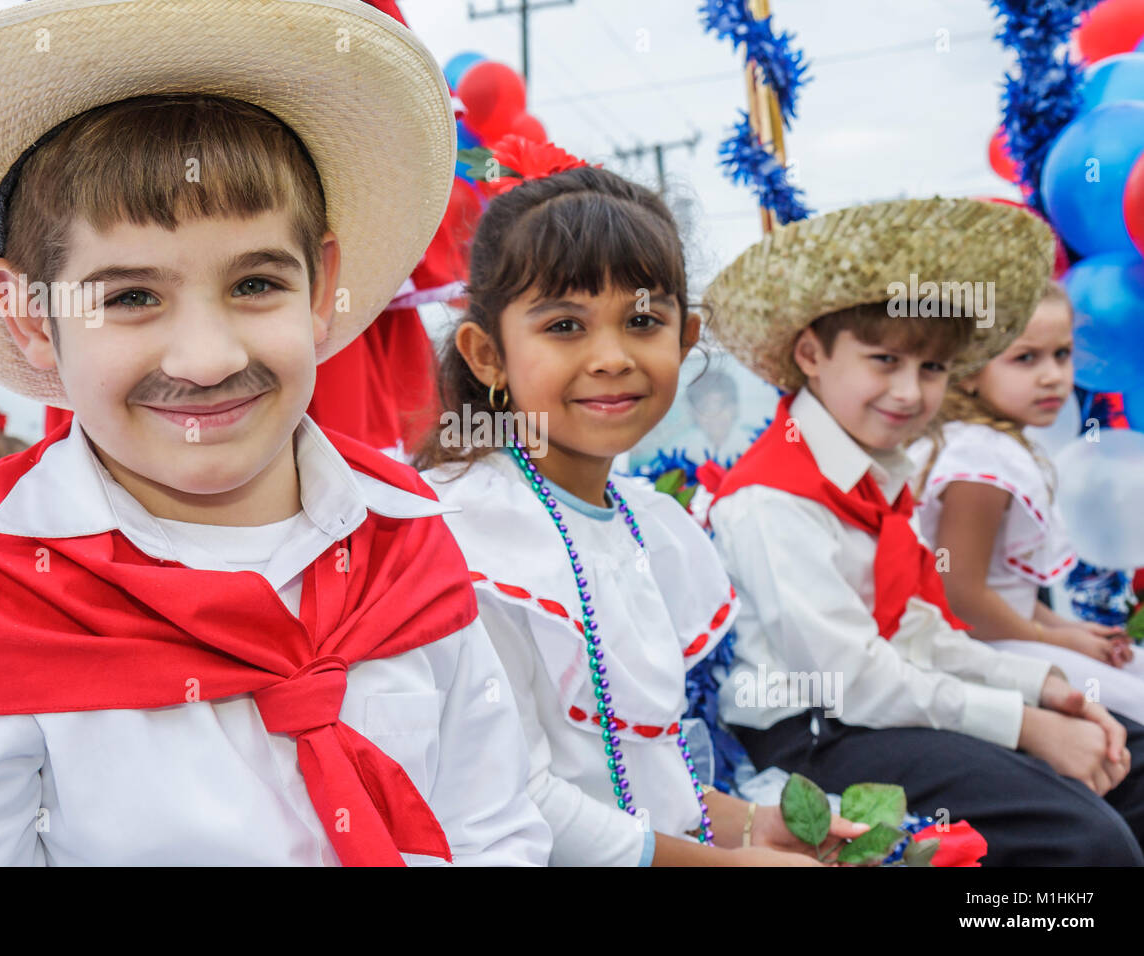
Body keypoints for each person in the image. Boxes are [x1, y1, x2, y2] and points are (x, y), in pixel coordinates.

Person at [0, 0, 549, 866]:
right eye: (131, 297)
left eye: (255, 283)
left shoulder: (407, 534)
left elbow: (494, 832)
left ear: (322, 284)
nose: (209, 359)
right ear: (30, 318)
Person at [413, 138, 870, 866]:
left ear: (686, 340)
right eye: (565, 325)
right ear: (487, 355)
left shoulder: (645, 522)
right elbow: (518, 797)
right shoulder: (468, 537)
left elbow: (637, 779)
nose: (612, 356)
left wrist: (756, 828)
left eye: (643, 321)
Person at [705, 196, 1144, 865]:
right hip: (818, 736)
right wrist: (1029, 727)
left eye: (932, 368)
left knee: (1133, 764)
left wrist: (1041, 685)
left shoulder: (879, 477)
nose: (910, 392)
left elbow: (918, 634)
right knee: (1083, 840)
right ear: (810, 354)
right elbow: (855, 680)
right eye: (885, 360)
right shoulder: (773, 500)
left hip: (883, 709)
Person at [909, 279, 1144, 722]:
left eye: (1062, 354)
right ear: (971, 370)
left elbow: (1001, 588)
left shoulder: (987, 444)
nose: (1053, 375)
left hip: (1003, 633)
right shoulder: (981, 460)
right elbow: (959, 595)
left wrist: (1066, 627)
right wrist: (1054, 640)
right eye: (1025, 358)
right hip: (982, 650)